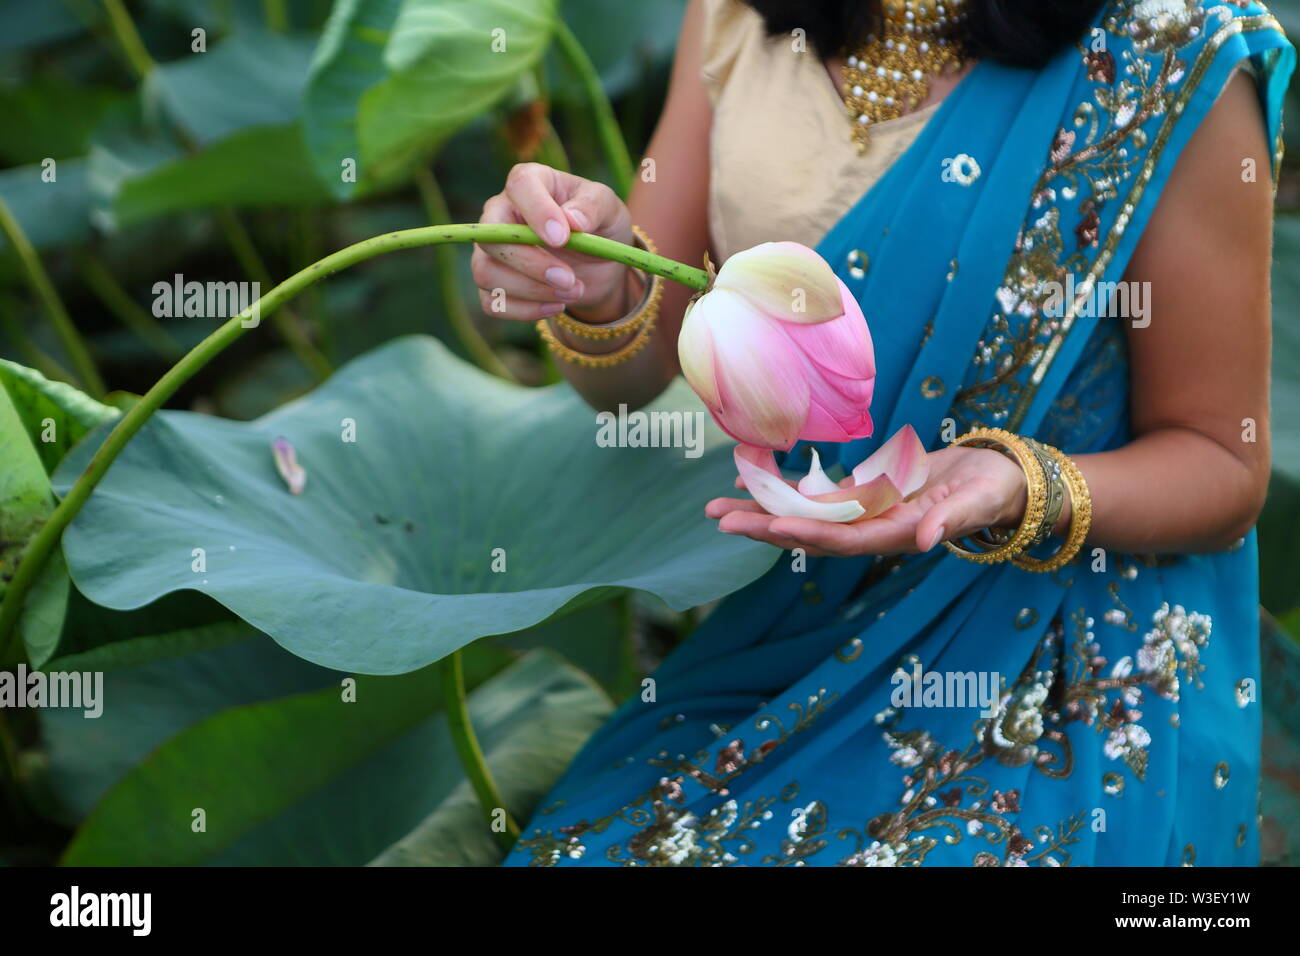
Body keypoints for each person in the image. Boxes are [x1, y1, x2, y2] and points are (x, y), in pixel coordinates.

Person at [474, 0, 1293, 866]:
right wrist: (593, 287)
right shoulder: (733, 16)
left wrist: (1017, 484)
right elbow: (634, 372)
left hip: (1063, 654)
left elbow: (1221, 465)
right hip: (793, 625)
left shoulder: (1167, 54)